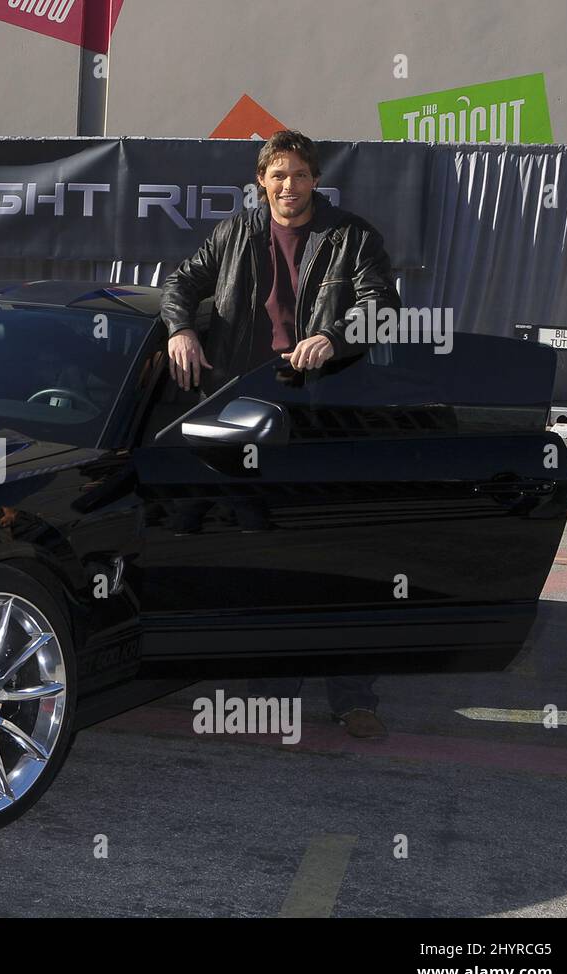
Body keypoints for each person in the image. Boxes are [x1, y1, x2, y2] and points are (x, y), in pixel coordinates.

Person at [159, 129, 402, 740]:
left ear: (315, 179)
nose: (287, 186)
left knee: (339, 558)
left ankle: (353, 697)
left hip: (324, 412)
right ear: (261, 182)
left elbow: (383, 308)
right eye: (276, 175)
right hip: (247, 408)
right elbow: (180, 284)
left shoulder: (352, 236)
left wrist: (335, 337)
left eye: (297, 174)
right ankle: (271, 695)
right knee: (268, 553)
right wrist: (180, 330)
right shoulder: (234, 232)